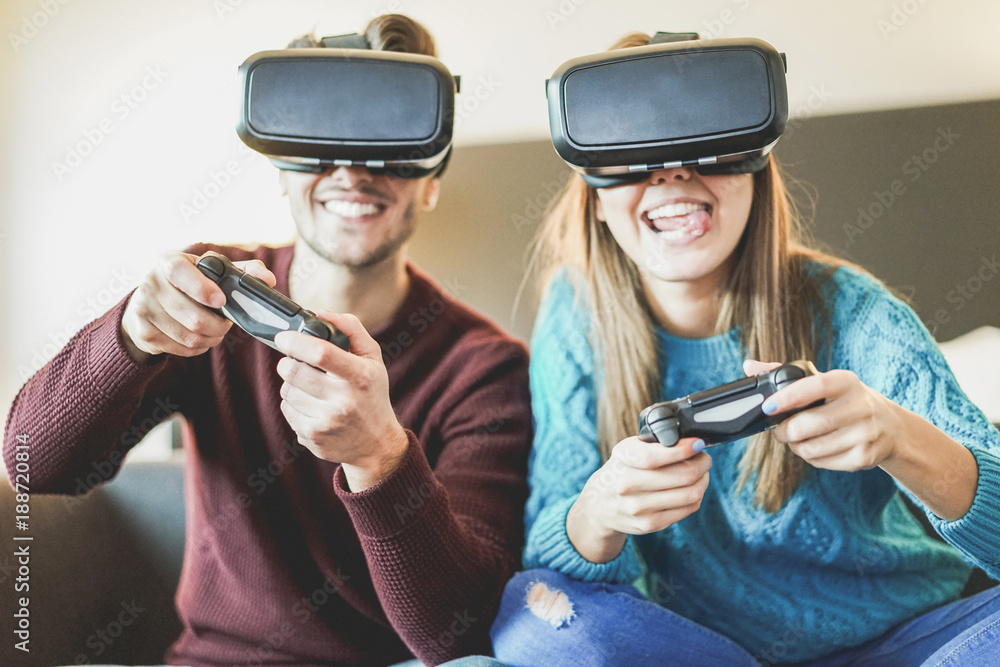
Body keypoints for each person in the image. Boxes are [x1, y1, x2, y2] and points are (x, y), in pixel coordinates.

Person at [3, 14, 529, 667]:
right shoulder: (203, 291)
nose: (351, 169)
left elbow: (457, 637)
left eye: (388, 141)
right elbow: (34, 464)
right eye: (319, 140)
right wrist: (130, 336)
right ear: (279, 168)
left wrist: (380, 457)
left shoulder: (486, 370)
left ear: (431, 180)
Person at [489, 31, 1000, 667]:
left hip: (908, 639)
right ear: (594, 198)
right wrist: (601, 509)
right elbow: (547, 554)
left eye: (709, 150)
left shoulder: (853, 310)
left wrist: (900, 438)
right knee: (534, 623)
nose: (674, 171)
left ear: (756, 174)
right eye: (636, 155)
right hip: (701, 652)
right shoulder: (576, 315)